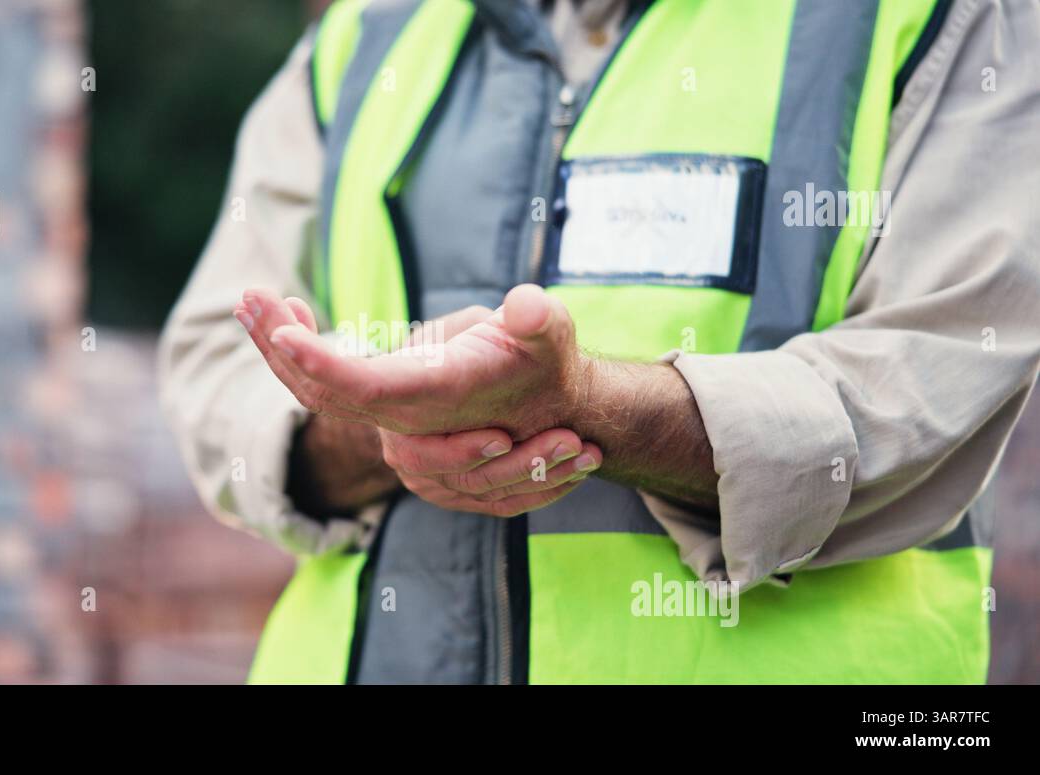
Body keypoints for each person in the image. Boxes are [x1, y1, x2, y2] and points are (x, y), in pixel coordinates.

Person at [160, 0, 1040, 683]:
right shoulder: (367, 32)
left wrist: (590, 411)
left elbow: (939, 362)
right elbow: (214, 364)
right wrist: (376, 426)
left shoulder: (932, 17)